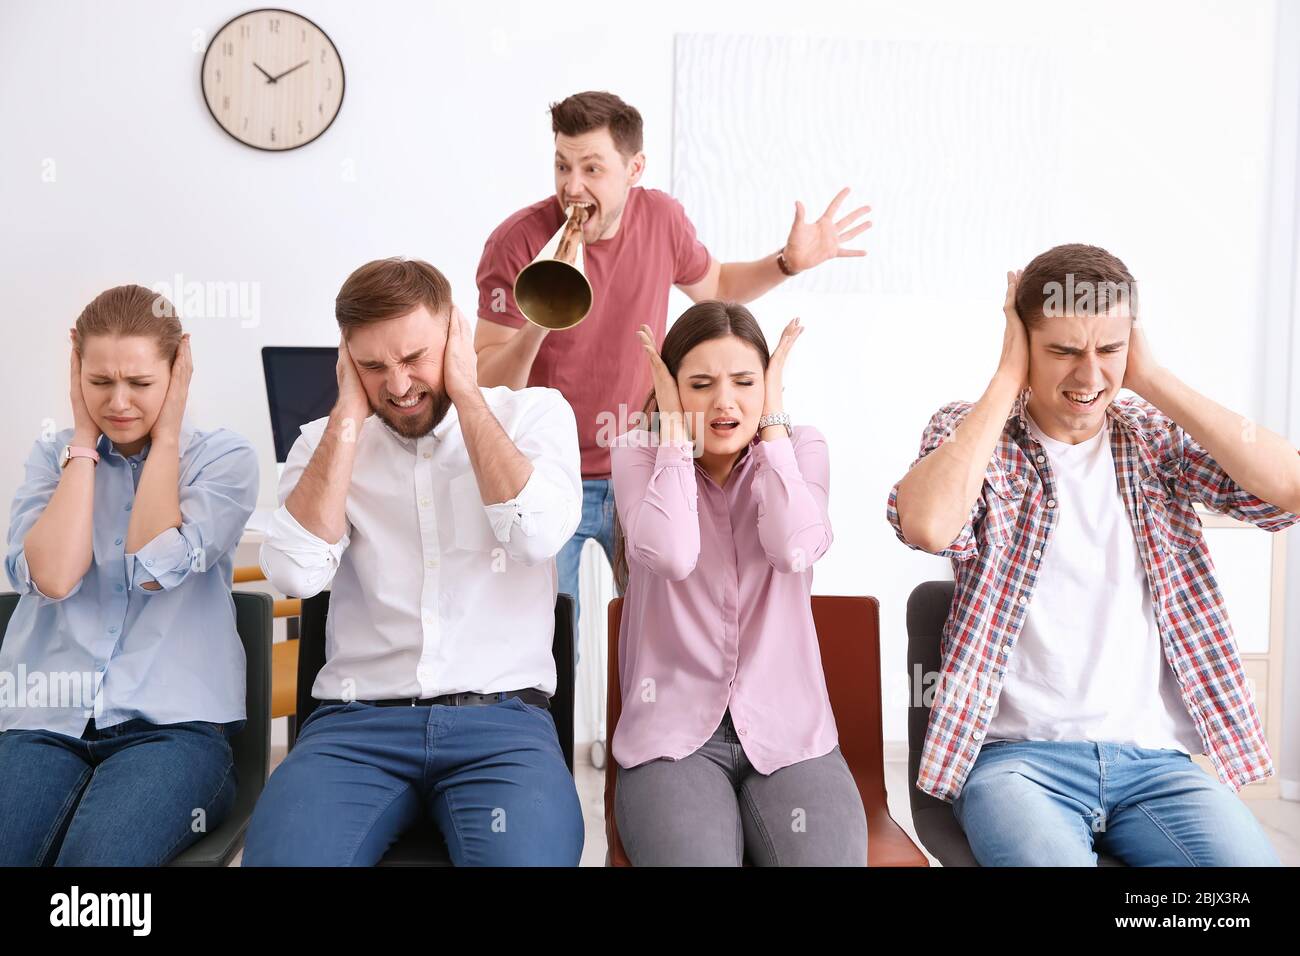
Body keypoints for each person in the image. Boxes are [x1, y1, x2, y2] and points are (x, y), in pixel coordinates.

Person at [888, 244, 1300, 865]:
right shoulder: (970, 434)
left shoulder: (1152, 439)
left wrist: (1153, 380)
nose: (1088, 377)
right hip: (1018, 763)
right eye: (1061, 351)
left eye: (1108, 350)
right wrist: (1006, 377)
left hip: (1155, 766)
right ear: (1025, 345)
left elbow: (1288, 489)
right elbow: (926, 525)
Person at [475, 90, 872, 646]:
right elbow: (488, 381)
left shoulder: (660, 218)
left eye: (592, 168)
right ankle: (551, 737)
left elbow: (719, 287)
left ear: (634, 168)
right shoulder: (516, 241)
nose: (571, 187)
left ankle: (640, 734)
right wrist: (541, 315)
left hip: (640, 458)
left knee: (657, 629)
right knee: (545, 634)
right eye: (562, 165)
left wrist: (787, 263)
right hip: (547, 468)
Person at [244, 258, 584, 866]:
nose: (398, 385)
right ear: (346, 357)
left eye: (414, 358)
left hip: (501, 726)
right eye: (373, 366)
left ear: (455, 334)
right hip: (355, 729)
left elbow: (536, 538)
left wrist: (467, 393)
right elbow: (296, 574)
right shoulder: (322, 441)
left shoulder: (534, 416)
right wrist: (348, 415)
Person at [0, 284, 258, 866]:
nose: (119, 402)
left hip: (173, 732)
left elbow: (151, 565)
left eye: (141, 383)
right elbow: (56, 577)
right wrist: (84, 443)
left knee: (94, 873)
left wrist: (165, 438)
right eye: (99, 382)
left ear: (178, 367)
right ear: (76, 370)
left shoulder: (222, 459)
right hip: (44, 722)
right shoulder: (53, 457)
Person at [608, 300, 866, 866]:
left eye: (745, 382)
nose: (725, 402)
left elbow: (794, 548)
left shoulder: (801, 449)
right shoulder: (637, 453)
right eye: (700, 384)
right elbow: (672, 554)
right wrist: (674, 436)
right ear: (672, 389)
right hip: (673, 740)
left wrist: (772, 427)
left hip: (791, 733)